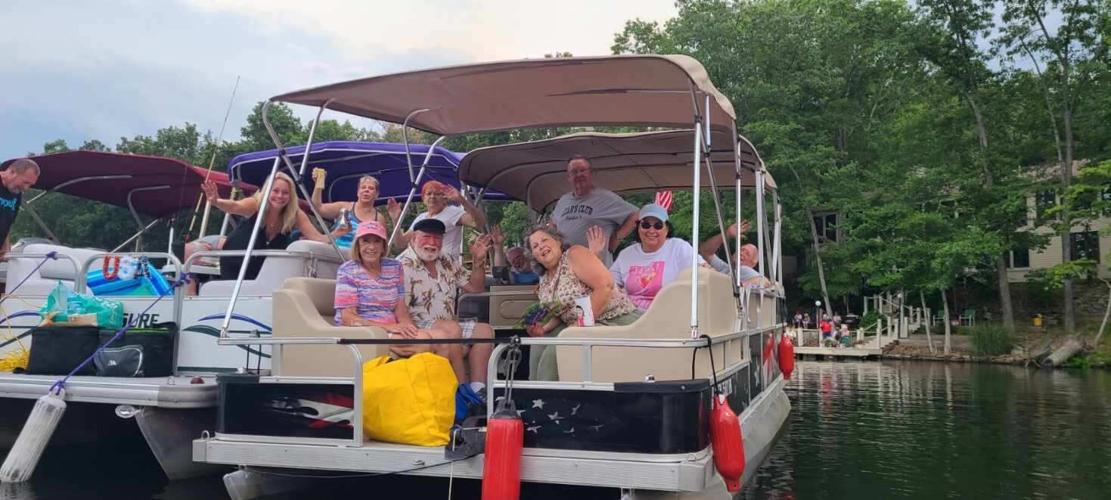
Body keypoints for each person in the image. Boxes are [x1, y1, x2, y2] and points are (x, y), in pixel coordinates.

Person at [526, 225, 641, 381]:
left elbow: (604, 285)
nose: (541, 246)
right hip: (578, 325)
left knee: (557, 348)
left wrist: (580, 323)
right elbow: (563, 311)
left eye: (544, 240)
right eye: (535, 246)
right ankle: (532, 395)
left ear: (558, 241)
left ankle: (549, 401)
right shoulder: (545, 279)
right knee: (539, 343)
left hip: (613, 319)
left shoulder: (574, 254)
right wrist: (543, 328)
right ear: (534, 255)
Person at [334, 221, 458, 361]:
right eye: (365, 241)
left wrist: (408, 327)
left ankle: (442, 383)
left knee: (442, 338)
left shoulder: (393, 267)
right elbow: (348, 317)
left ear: (383, 246)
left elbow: (400, 308)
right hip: (364, 330)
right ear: (358, 245)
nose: (371, 247)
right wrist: (389, 327)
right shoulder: (348, 270)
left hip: (390, 328)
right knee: (422, 341)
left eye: (377, 242)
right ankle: (419, 381)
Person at [397, 219, 494, 395]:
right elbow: (400, 310)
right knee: (451, 328)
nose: (432, 243)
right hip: (417, 325)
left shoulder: (446, 260)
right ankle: (461, 392)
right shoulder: (403, 265)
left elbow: (476, 287)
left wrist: (478, 261)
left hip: (448, 325)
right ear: (413, 239)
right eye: (426, 237)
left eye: (437, 238)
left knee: (485, 331)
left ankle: (478, 392)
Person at [202, 172, 347, 280]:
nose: (280, 196)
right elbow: (234, 206)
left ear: (291, 196)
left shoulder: (295, 214)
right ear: (267, 191)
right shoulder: (255, 205)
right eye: (275, 191)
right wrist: (217, 201)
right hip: (236, 264)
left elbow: (317, 238)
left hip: (265, 271)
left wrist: (337, 233)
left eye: (285, 193)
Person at [608, 203, 701, 310]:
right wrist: (596, 253)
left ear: (667, 229)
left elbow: (703, 271)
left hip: (669, 314)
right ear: (638, 228)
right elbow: (609, 284)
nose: (651, 230)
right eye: (646, 225)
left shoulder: (679, 247)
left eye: (658, 226)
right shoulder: (626, 254)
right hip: (630, 315)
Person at [550, 155, 638, 267]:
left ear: (591, 173)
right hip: (567, 269)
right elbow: (553, 223)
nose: (579, 175)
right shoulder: (563, 201)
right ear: (568, 177)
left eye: (582, 170)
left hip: (596, 269)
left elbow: (636, 215)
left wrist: (617, 237)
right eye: (574, 172)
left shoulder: (606, 198)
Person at [390, 180, 486, 259]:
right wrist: (396, 220)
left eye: (437, 194)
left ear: (445, 198)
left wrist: (462, 200)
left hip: (445, 266)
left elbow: (479, 223)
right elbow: (400, 243)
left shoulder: (453, 212)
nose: (432, 197)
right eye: (429, 194)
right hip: (421, 266)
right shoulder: (421, 217)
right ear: (423, 199)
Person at [310, 171, 392, 250]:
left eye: (371, 188)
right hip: (336, 253)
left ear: (376, 194)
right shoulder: (344, 207)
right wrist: (318, 184)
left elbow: (383, 245)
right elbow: (317, 208)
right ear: (357, 192)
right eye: (363, 187)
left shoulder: (379, 218)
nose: (366, 190)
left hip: (361, 259)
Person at [0, 159, 41, 259]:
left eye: (30, 185)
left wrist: (6, 247)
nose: (26, 188)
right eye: (25, 182)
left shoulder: (16, 193)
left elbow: (7, 223)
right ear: (12, 172)